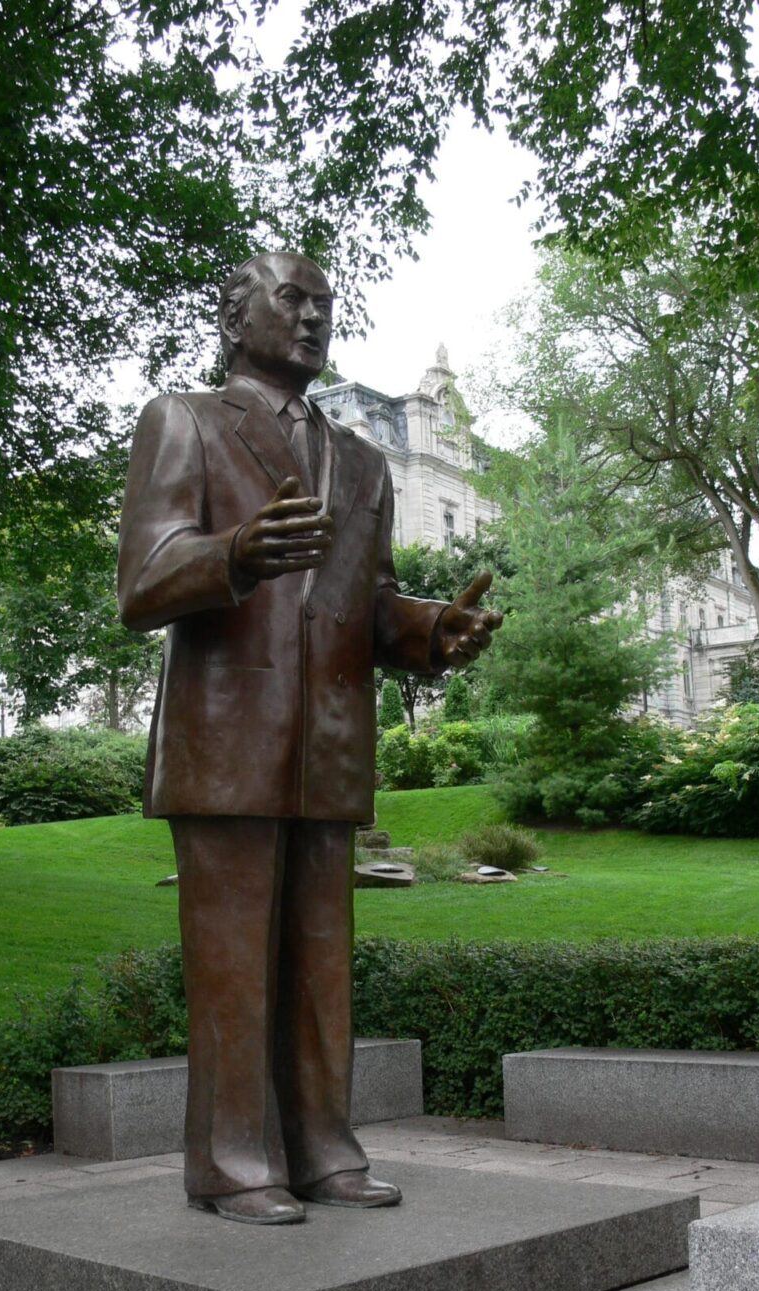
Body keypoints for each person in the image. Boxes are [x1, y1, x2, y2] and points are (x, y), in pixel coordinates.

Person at [118, 251, 501, 1225]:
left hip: (328, 744)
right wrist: (235, 555)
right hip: (225, 745)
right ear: (235, 315)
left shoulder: (364, 464)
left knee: (325, 970)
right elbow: (144, 580)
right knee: (235, 971)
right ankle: (232, 1161)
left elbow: (360, 605)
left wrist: (424, 631)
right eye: (291, 297)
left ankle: (326, 1148)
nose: (313, 316)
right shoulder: (187, 421)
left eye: (325, 304)